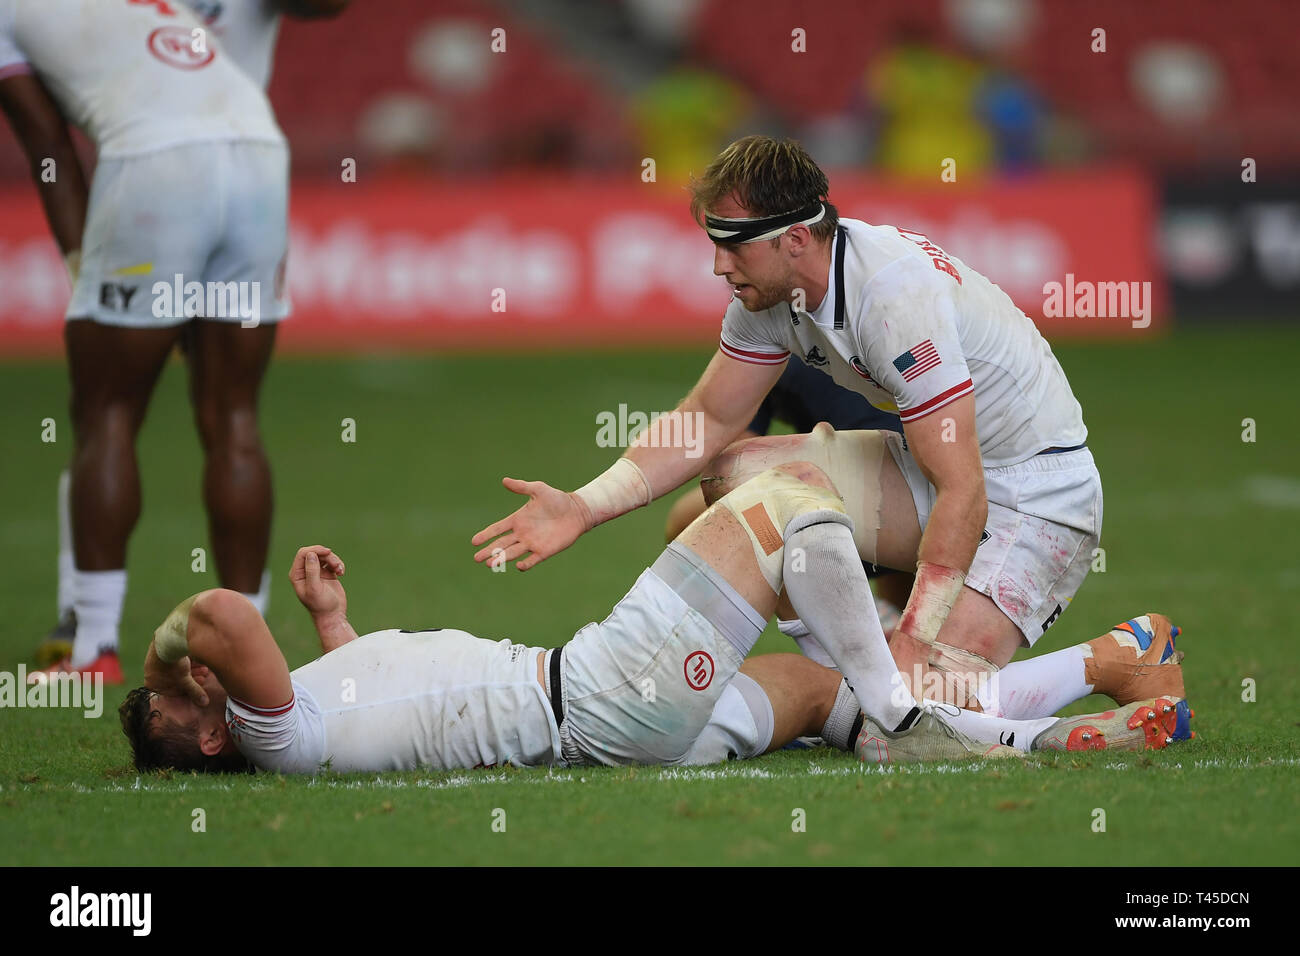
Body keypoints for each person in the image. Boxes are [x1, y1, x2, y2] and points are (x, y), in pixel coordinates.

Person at [471, 134, 1187, 726]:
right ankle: (867, 669)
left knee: (908, 716)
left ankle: (1120, 656)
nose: (718, 264)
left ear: (791, 241)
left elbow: (964, 486)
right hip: (938, 471)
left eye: (731, 245)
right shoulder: (768, 294)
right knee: (734, 481)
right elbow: (709, 421)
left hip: (1038, 496)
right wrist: (584, 505)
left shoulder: (892, 297)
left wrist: (913, 640)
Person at [121, 463, 1191, 777]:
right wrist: (167, 646)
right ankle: (914, 706)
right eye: (186, 693)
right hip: (597, 690)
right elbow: (215, 613)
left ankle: (1104, 674)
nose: (195, 674)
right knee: (775, 503)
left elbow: (392, 701)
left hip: (623, 732)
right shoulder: (272, 735)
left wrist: (333, 620)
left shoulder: (302, 716)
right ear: (214, 728)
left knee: (830, 698)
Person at [1, 0, 339, 682]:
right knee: (234, 416)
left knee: (108, 411)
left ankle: (91, 647)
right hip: (258, 150)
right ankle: (248, 653)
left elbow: (50, 151)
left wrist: (81, 269)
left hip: (156, 162)